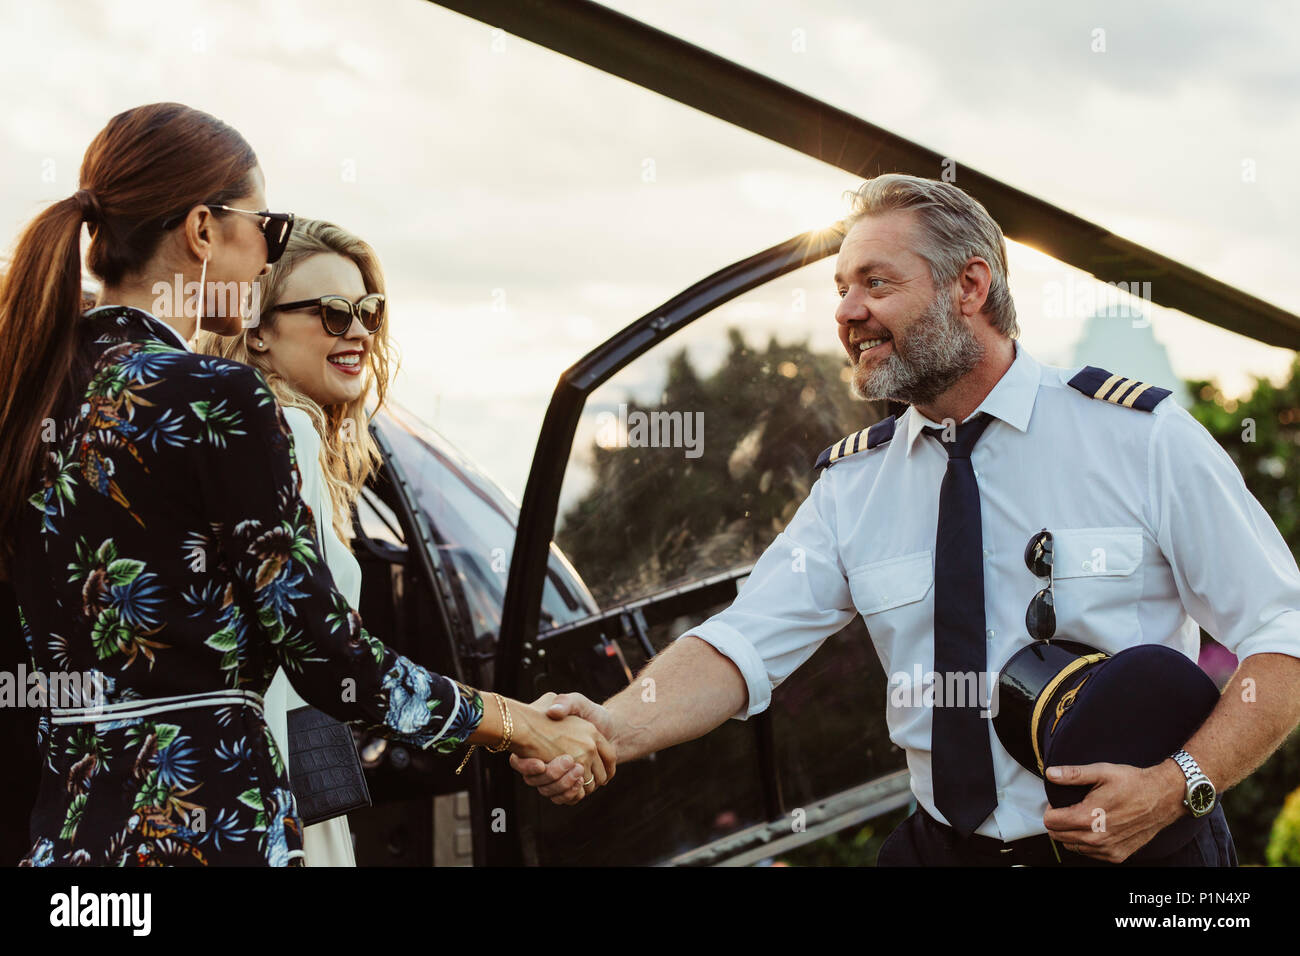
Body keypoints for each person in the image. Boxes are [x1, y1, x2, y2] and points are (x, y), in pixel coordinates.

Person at [512, 173, 1300, 865]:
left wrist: (1178, 786)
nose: (847, 313)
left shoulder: (1139, 436)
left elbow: (1283, 636)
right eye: (840, 290)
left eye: (876, 284)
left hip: (1144, 859)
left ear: (970, 286)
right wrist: (607, 729)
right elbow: (740, 644)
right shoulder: (854, 485)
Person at [0, 102, 612, 866]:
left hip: (70, 853)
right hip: (214, 835)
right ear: (201, 231)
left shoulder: (26, 401)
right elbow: (332, 660)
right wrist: (517, 723)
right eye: (267, 224)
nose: (266, 254)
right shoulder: (218, 398)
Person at [193, 217, 393, 866]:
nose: (359, 331)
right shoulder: (288, 436)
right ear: (255, 328)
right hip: (283, 786)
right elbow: (325, 650)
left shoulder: (219, 435)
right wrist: (507, 724)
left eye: (369, 310)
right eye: (332, 313)